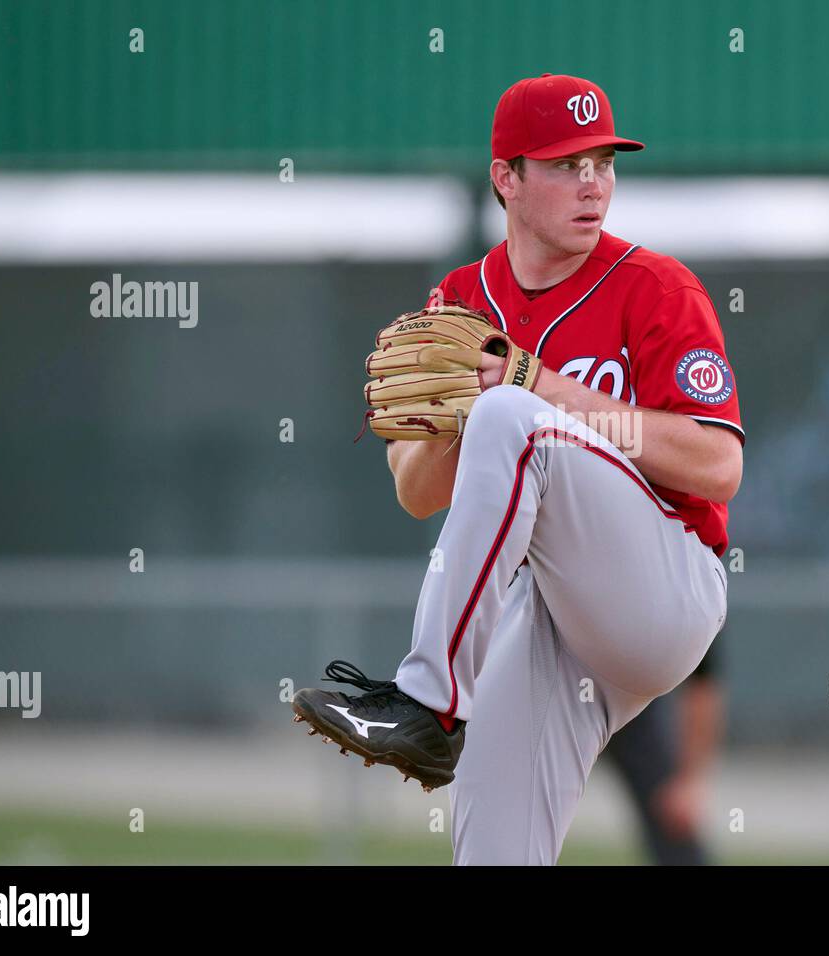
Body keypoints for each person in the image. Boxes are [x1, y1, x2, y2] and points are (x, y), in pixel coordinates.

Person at [292, 73, 743, 865]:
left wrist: (534, 386)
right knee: (492, 849)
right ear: (507, 178)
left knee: (513, 414)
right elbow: (415, 493)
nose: (593, 182)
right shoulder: (462, 299)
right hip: (558, 613)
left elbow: (718, 465)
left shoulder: (657, 288)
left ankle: (430, 703)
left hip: (666, 586)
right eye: (567, 164)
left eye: (603, 161)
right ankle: (437, 710)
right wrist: (454, 422)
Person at [601, 643, 725, 865]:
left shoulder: (695, 610)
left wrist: (690, 780)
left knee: (673, 817)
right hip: (558, 680)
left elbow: (702, 682)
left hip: (634, 704)